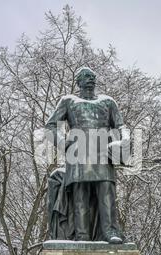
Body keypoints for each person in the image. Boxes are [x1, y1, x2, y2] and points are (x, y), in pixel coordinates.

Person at [45, 67, 127, 244]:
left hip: (104, 152)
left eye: (92, 76)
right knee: (80, 196)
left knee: (106, 193)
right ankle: (82, 236)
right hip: (78, 152)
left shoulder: (108, 102)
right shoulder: (68, 101)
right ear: (78, 82)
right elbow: (50, 126)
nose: (90, 79)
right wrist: (62, 143)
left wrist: (124, 141)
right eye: (86, 76)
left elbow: (121, 127)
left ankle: (110, 231)